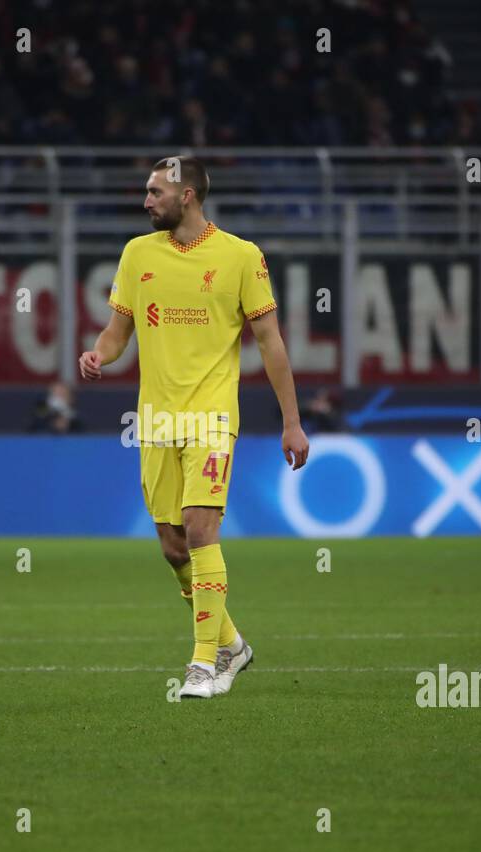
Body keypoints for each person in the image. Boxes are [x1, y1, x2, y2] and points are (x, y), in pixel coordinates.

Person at [79, 155, 309, 699]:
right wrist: (99, 354)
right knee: (174, 546)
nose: (146, 201)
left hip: (212, 414)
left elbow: (270, 342)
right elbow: (118, 331)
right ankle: (232, 644)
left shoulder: (241, 257)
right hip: (155, 418)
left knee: (201, 529)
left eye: (155, 192)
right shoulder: (138, 254)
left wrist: (292, 422)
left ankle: (204, 664)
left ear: (187, 196)